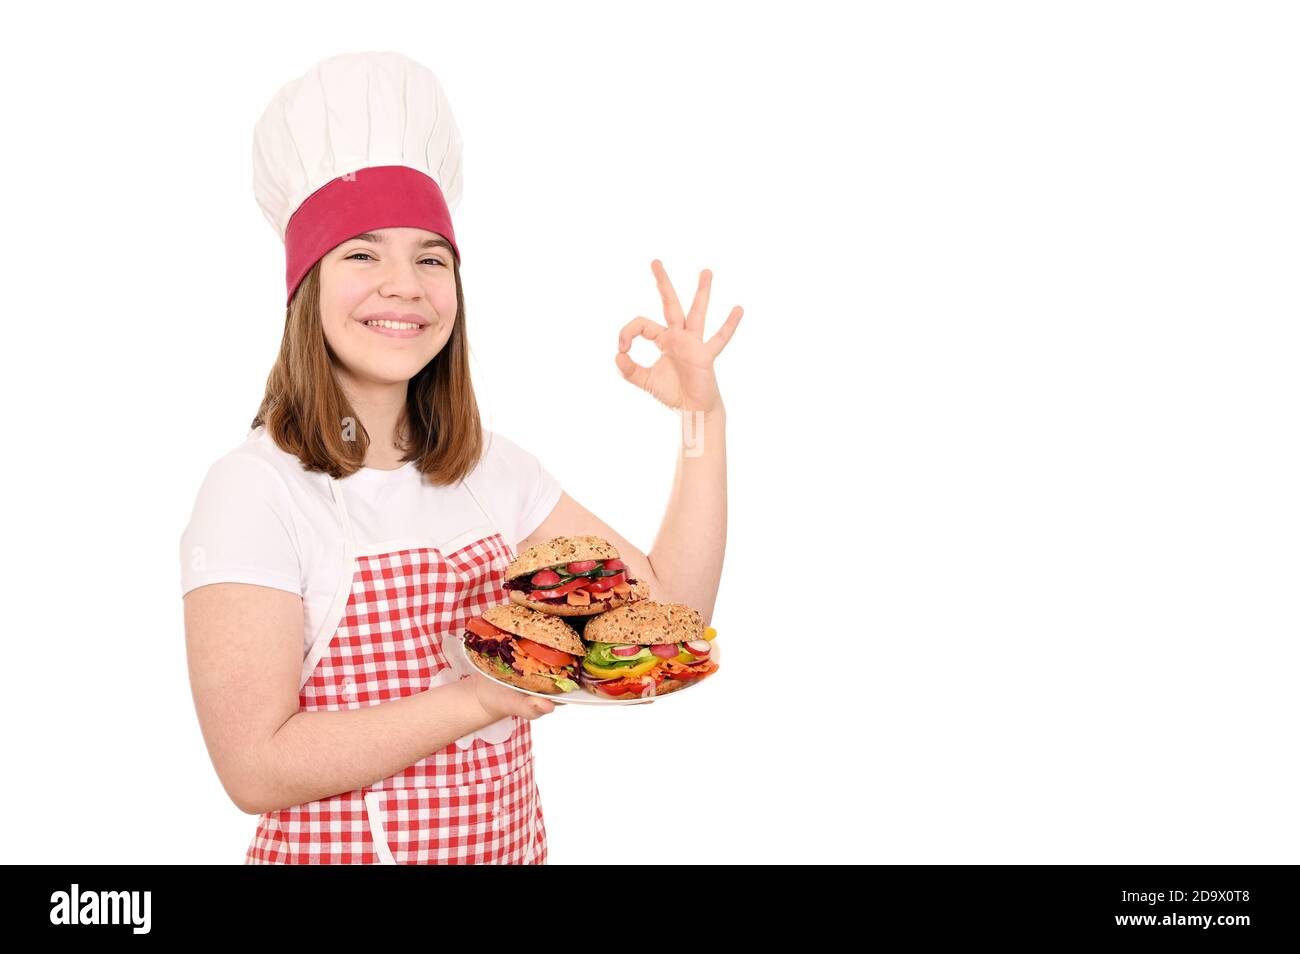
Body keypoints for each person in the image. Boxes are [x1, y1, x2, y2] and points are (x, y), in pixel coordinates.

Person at [179, 51, 742, 865]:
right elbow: (254, 767)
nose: (404, 284)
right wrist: (479, 698)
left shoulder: (492, 472)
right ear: (307, 286)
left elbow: (668, 619)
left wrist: (703, 419)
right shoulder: (254, 491)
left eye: (431, 258)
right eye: (363, 254)